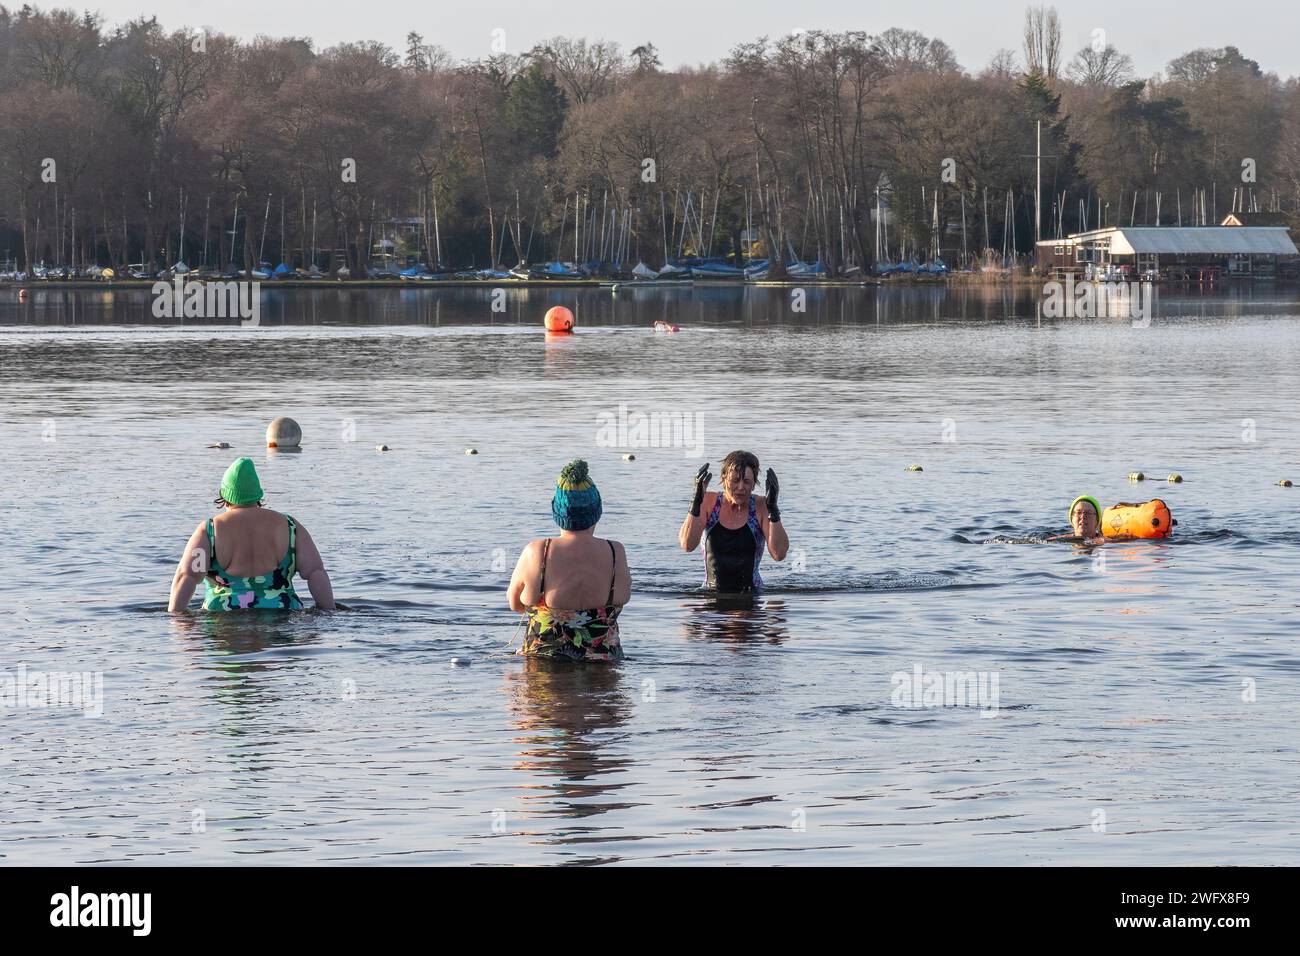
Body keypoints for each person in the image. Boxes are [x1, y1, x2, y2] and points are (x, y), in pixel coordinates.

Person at [168, 457, 335, 611]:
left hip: (223, 618)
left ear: (225, 495)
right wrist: (329, 611)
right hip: (282, 613)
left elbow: (188, 576)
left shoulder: (210, 530)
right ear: (258, 494)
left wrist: (175, 619)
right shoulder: (290, 526)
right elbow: (315, 572)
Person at [507, 459, 631, 661]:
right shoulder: (615, 552)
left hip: (545, 667)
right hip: (604, 670)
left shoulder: (538, 551)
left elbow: (515, 603)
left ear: (557, 511)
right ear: (597, 511)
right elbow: (623, 596)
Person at [678, 450, 788, 593]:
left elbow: (779, 554)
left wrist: (773, 509)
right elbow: (687, 545)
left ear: (754, 484)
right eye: (735, 480)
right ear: (724, 480)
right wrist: (695, 503)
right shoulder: (708, 502)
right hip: (711, 596)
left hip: (751, 597)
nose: (741, 487)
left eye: (747, 481)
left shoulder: (761, 506)